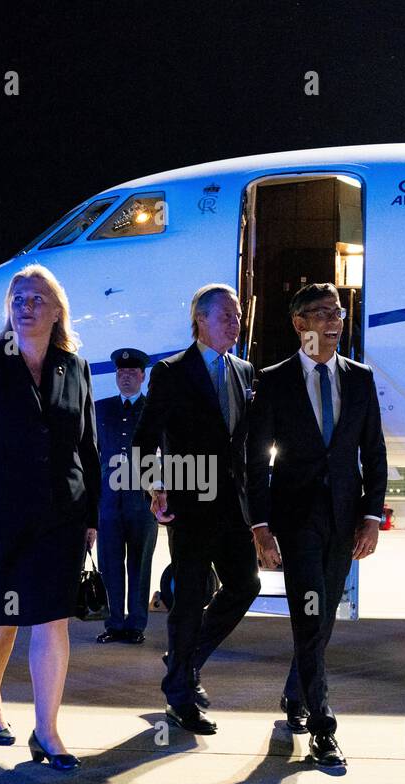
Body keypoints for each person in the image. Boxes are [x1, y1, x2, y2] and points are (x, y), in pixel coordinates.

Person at [0, 264, 98, 771]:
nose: (26, 305)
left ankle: (47, 731)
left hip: (61, 515)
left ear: (57, 311)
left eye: (37, 298)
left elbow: (87, 448)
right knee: (1, 617)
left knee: (52, 619)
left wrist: (91, 513)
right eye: (18, 297)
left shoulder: (74, 368)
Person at [247, 283, 387, 769]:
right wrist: (261, 527)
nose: (334, 321)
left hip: (345, 520)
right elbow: (255, 461)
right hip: (297, 520)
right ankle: (323, 728)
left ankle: (294, 693)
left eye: (338, 312)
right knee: (309, 615)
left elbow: (374, 453)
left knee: (324, 616)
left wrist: (371, 517)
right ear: (299, 323)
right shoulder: (275, 380)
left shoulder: (361, 379)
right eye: (322, 313)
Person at [132, 284, 260, 735]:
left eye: (238, 314)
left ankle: (184, 662)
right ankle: (179, 697)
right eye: (226, 314)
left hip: (235, 506)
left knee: (245, 584)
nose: (235, 321)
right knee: (189, 597)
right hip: (189, 500)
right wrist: (155, 486)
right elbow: (146, 438)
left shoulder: (245, 372)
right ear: (200, 320)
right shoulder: (171, 372)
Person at [94, 347, 158, 646]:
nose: (126, 378)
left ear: (143, 376)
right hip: (107, 503)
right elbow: (90, 457)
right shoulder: (101, 409)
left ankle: (136, 624)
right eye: (121, 373)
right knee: (109, 563)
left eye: (132, 373)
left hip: (143, 502)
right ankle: (114, 622)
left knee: (139, 564)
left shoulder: (155, 409)